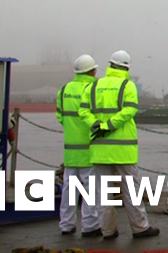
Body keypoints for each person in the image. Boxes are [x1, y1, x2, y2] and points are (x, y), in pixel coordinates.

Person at [79, 50, 160, 240]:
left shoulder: (94, 86)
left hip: (100, 149)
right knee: (131, 190)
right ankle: (140, 228)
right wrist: (109, 125)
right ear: (127, 68)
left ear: (110, 65)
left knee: (103, 193)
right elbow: (130, 110)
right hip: (123, 149)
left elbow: (83, 112)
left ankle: (108, 230)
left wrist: (96, 125)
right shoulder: (127, 86)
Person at [56, 54, 102, 237]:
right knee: (90, 189)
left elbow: (60, 117)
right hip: (89, 149)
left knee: (69, 189)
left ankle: (66, 224)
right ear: (92, 71)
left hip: (70, 150)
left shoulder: (64, 90)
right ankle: (90, 225)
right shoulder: (93, 89)